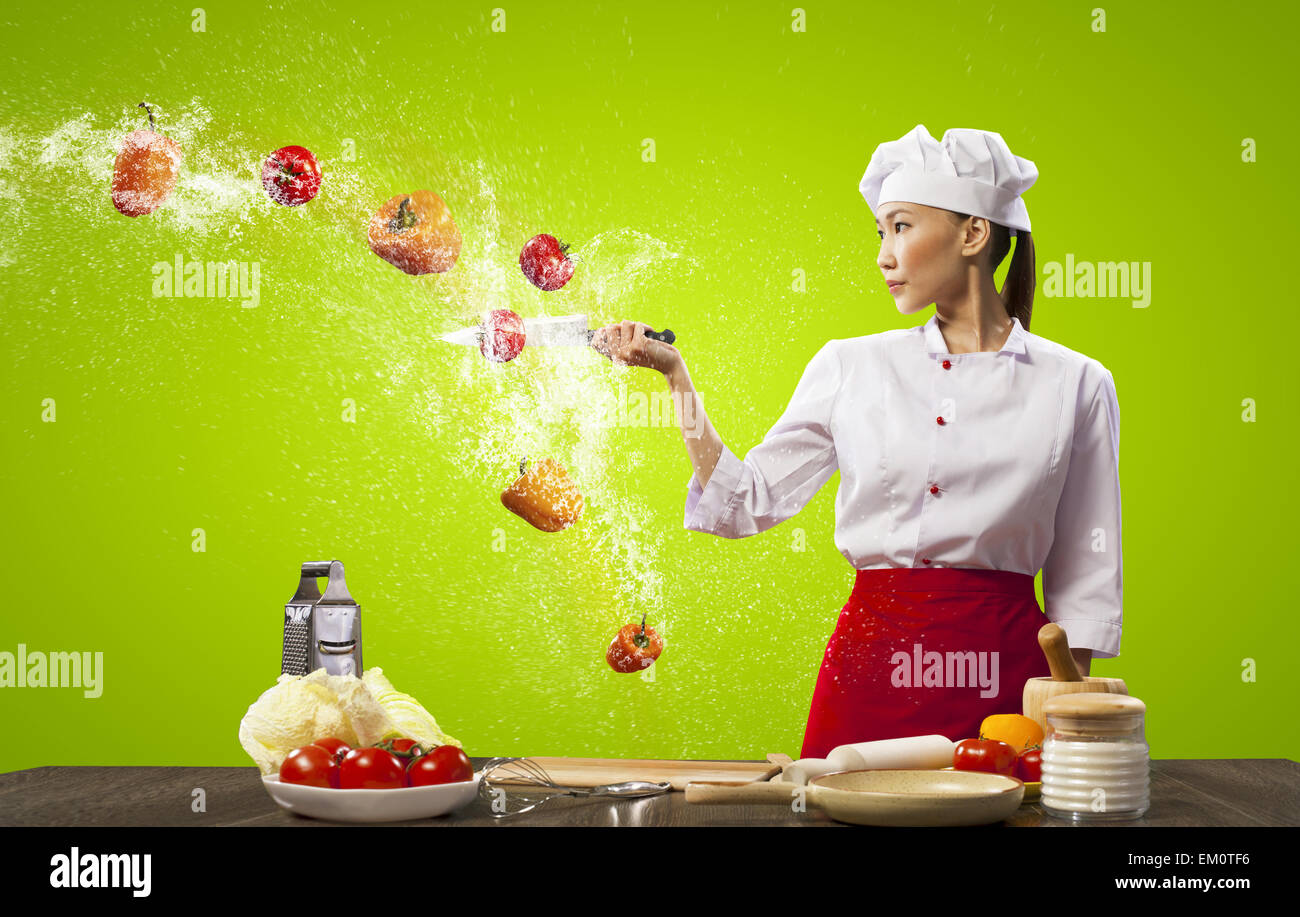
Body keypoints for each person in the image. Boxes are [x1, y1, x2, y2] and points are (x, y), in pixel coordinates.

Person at [590, 124, 1122, 758]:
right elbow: (743, 502)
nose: (883, 255)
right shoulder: (850, 367)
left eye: (901, 226)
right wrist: (675, 377)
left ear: (973, 233)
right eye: (880, 232)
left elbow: (1084, 580)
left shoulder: (1077, 383)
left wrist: (1069, 719)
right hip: (871, 672)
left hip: (1006, 678)